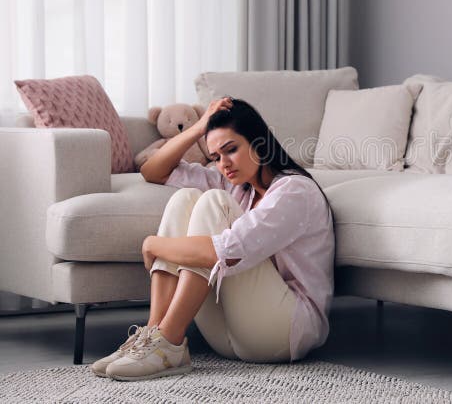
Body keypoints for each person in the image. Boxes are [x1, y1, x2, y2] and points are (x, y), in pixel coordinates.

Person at [90, 97, 334, 381]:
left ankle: (168, 340)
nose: (223, 164)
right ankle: (154, 337)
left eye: (231, 150)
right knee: (186, 198)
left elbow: (223, 251)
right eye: (216, 156)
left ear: (259, 143)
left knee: (212, 202)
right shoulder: (237, 185)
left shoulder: (294, 190)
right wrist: (199, 128)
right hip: (234, 335)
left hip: (285, 332)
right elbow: (153, 171)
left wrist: (152, 243)